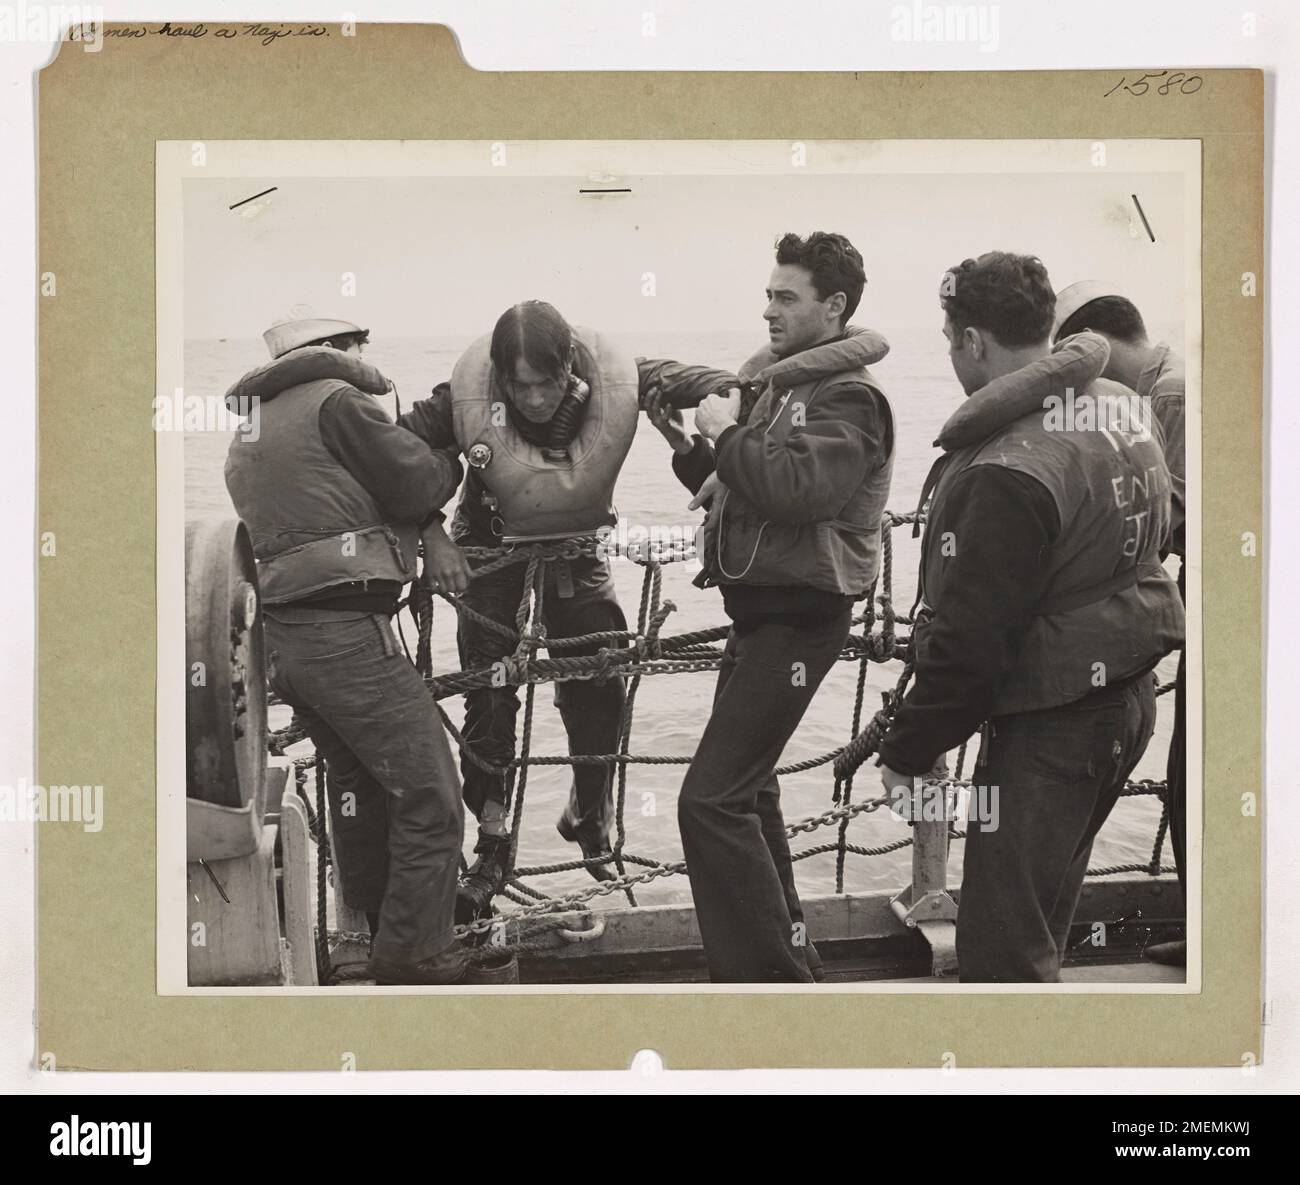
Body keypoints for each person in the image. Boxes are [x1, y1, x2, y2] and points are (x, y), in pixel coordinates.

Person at [877, 253, 1185, 983]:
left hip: (1054, 730)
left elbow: (970, 648)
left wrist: (908, 751)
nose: (953, 354)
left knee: (1002, 954)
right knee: (1043, 914)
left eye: (952, 339)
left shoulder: (1007, 470)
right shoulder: (1123, 402)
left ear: (974, 341)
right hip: (1129, 703)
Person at [398, 302, 740, 921]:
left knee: (602, 665)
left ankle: (589, 806)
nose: (532, 398)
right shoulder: (466, 394)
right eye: (518, 385)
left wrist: (724, 410)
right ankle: (493, 838)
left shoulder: (617, 376)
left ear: (571, 367)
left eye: (546, 382)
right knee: (490, 686)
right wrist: (429, 530)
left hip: (577, 546)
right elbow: (389, 451)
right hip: (488, 546)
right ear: (499, 377)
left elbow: (716, 382)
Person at [658, 231, 896, 983]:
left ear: (834, 306)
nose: (769, 310)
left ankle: (764, 986)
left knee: (709, 801)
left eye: (785, 297)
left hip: (800, 623)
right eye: (767, 294)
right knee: (749, 793)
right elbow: (753, 489)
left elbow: (803, 492)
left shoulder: (850, 397)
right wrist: (690, 446)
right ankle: (790, 951)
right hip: (762, 619)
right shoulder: (786, 385)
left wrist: (725, 430)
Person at [224, 314, 490, 985]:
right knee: (430, 793)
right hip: (345, 636)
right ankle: (414, 953)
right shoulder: (338, 402)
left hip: (284, 640)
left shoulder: (251, 426)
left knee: (361, 792)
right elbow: (416, 482)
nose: (364, 358)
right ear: (336, 352)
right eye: (357, 347)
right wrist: (453, 453)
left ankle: (376, 936)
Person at [1052, 282, 1187, 968]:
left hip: (1224, 613)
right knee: (1188, 770)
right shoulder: (1164, 387)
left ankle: (1213, 938)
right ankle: (1208, 930)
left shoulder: (1169, 398)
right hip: (1194, 611)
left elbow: (1176, 517)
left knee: (1195, 771)